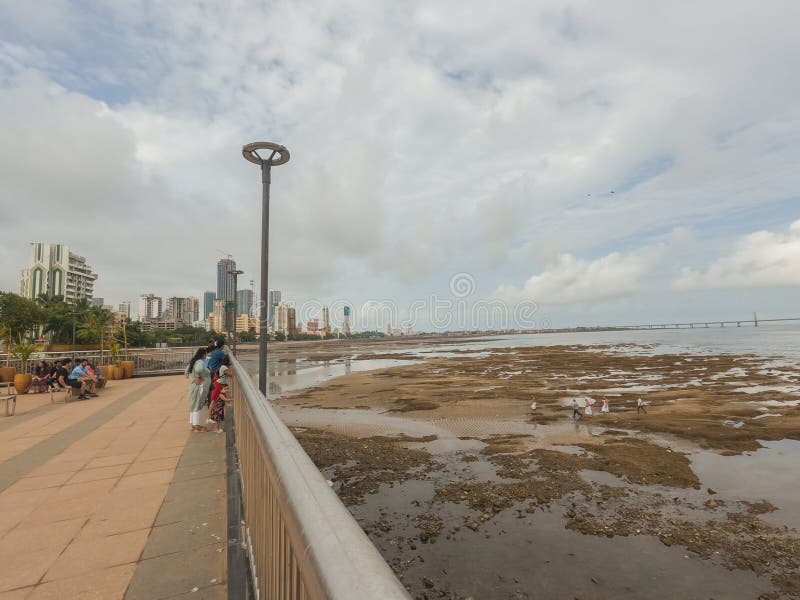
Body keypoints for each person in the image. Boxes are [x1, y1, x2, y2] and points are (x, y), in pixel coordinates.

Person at [187, 347, 210, 432]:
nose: (206, 356)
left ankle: (193, 424)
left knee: (193, 404)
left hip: (193, 386)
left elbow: (186, 372)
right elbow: (199, 369)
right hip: (198, 387)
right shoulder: (200, 362)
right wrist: (198, 377)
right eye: (206, 354)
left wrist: (193, 378)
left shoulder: (193, 361)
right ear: (203, 354)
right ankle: (197, 425)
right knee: (197, 404)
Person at [206, 339, 226, 406]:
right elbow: (227, 360)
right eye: (223, 345)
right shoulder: (220, 353)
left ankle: (210, 405)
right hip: (215, 373)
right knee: (216, 389)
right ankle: (214, 406)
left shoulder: (214, 351)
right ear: (222, 346)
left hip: (211, 372)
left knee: (211, 389)